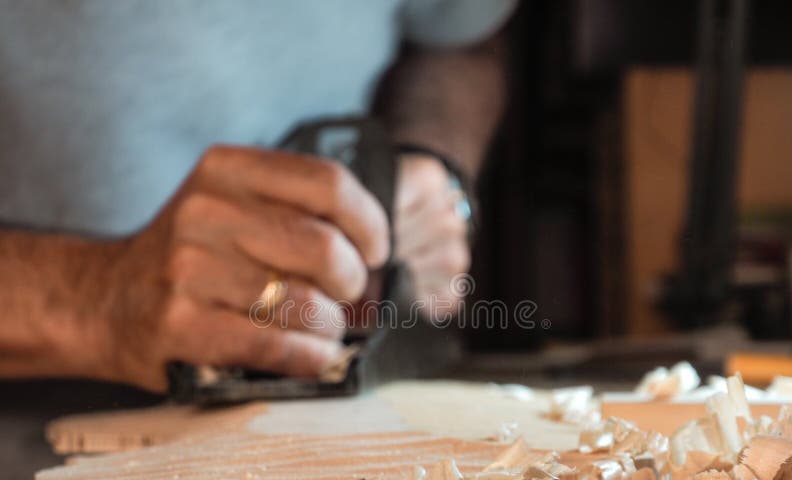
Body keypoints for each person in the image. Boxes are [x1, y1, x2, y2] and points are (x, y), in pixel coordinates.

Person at [0, 0, 512, 392]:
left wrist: (432, 158)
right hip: (34, 422)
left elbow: (459, 40)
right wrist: (97, 298)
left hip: (332, 378)